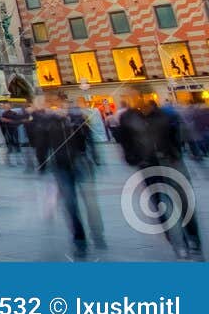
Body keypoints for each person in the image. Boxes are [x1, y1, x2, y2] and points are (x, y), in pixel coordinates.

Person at [115, 88, 201, 258]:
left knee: (183, 202)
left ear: (145, 97)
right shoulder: (127, 118)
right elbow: (125, 140)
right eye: (129, 96)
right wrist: (132, 157)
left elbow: (176, 136)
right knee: (159, 206)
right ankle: (176, 241)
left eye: (135, 96)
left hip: (171, 162)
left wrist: (176, 154)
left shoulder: (164, 115)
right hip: (147, 165)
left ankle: (193, 237)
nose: (133, 99)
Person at [28, 93, 105, 258]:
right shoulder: (45, 123)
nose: (56, 106)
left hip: (81, 162)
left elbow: (89, 138)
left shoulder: (77, 118)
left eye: (58, 102)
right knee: (70, 203)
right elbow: (41, 146)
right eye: (52, 103)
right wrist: (41, 164)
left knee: (91, 202)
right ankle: (79, 236)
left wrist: (96, 157)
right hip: (61, 165)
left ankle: (97, 232)